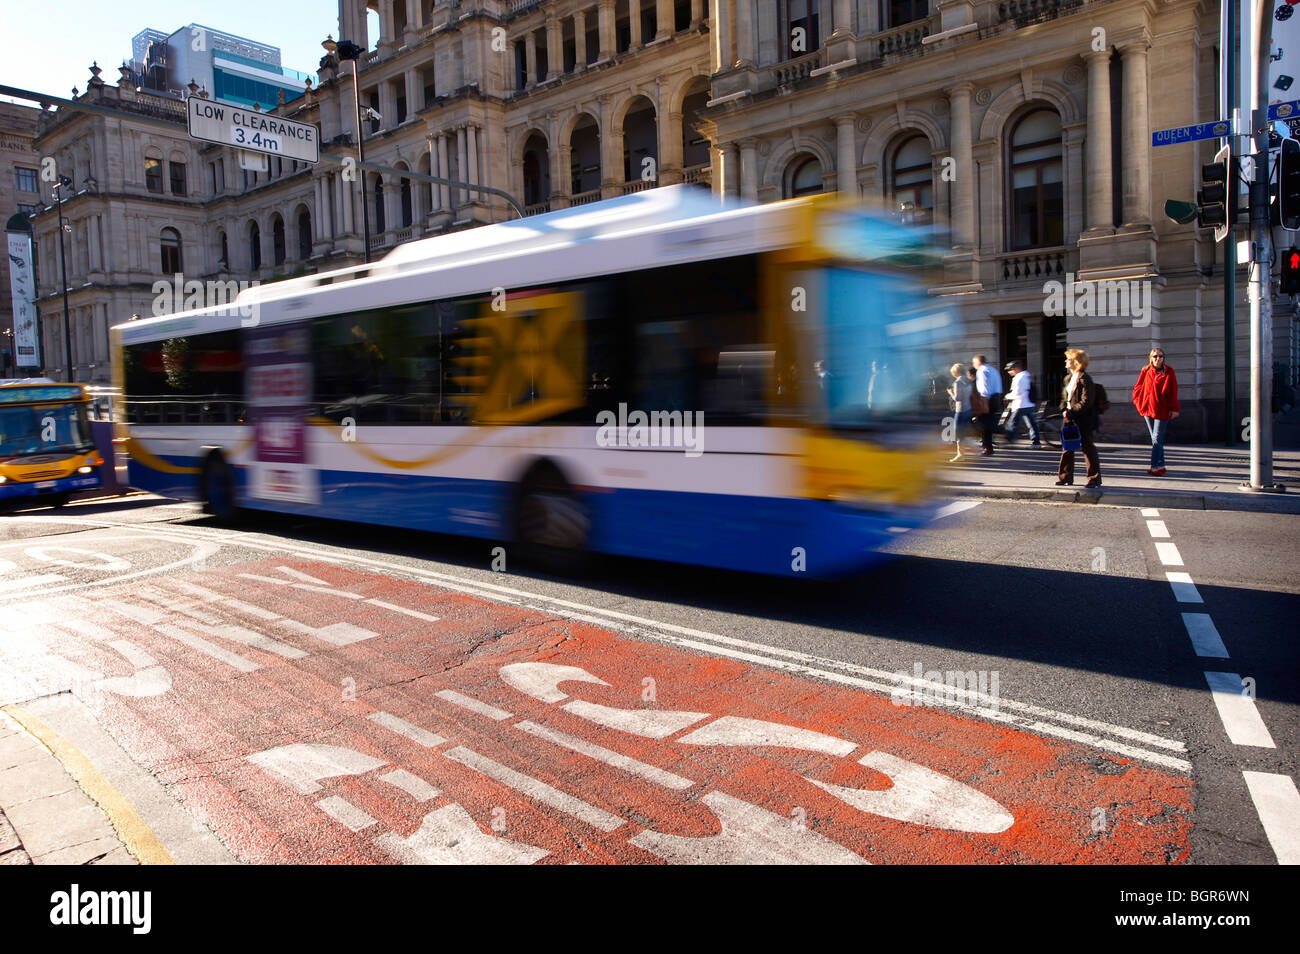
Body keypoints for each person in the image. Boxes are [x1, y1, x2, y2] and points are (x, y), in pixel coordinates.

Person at [1056, 348, 1102, 488]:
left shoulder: (1085, 378)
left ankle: (1094, 478)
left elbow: (1086, 401)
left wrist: (1072, 412)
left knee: (1087, 447)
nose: (1065, 361)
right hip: (1069, 418)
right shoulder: (1068, 378)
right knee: (1067, 447)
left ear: (1076, 362)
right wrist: (1064, 409)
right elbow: (1065, 398)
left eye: (1068, 359)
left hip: (1083, 419)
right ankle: (1065, 477)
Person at [1131, 347, 1180, 476]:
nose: (1158, 359)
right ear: (1150, 358)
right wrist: (1139, 402)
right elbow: (1138, 387)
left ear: (1164, 358)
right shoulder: (1145, 370)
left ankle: (1154, 467)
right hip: (1147, 409)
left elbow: (1173, 391)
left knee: (1157, 438)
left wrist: (1174, 409)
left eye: (1161, 356)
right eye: (1155, 356)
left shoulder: (1169, 371)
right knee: (1155, 439)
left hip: (1162, 410)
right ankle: (1161, 465)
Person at [1003, 359, 1041, 446]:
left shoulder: (1018, 378)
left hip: (1020, 404)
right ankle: (1036, 442)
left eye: (1010, 369)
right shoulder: (1026, 376)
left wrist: (1008, 396)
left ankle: (1009, 440)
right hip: (1028, 404)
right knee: (1031, 424)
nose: (1009, 372)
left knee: (1012, 423)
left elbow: (1017, 393)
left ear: (1016, 368)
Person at [971, 354, 1003, 456]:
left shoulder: (981, 371)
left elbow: (984, 388)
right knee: (988, 422)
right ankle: (988, 446)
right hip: (996, 397)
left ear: (978, 362)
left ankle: (987, 447)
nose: (973, 365)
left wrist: (983, 403)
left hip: (987, 399)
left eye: (974, 362)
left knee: (984, 424)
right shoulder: (993, 370)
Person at [947, 362, 971, 462]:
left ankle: (960, 454)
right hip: (968, 408)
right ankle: (962, 453)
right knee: (963, 431)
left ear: (955, 372)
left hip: (960, 410)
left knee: (958, 432)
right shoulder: (968, 381)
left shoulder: (957, 382)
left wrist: (951, 392)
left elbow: (958, 398)